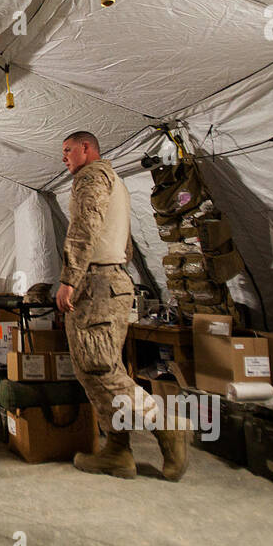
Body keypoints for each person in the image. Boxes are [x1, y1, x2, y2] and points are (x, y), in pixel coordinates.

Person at [57, 131, 188, 481]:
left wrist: (70, 277)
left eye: (68, 150)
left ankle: (166, 426)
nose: (65, 158)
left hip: (96, 284)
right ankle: (117, 450)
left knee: (100, 369)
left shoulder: (92, 177)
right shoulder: (117, 182)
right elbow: (125, 242)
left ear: (88, 148)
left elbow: (85, 225)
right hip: (110, 281)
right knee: (99, 369)